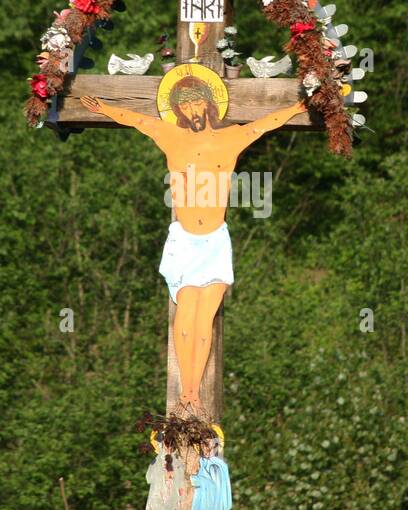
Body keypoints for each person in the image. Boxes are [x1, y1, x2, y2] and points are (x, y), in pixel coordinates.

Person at [80, 84, 305, 412]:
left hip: (215, 241)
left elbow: (264, 124)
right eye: (185, 106)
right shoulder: (172, 137)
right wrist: (105, 110)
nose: (193, 110)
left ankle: (194, 392)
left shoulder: (231, 138)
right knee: (185, 315)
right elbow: (138, 121)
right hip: (185, 240)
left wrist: (296, 109)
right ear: (180, 112)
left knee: (206, 319)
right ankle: (186, 391)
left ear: (210, 105)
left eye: (198, 103)